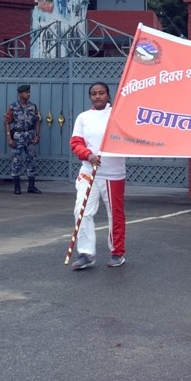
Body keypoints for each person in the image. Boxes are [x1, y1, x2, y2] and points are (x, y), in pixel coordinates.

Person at [68, 82, 127, 270]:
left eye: (101, 93)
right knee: (81, 211)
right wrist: (88, 155)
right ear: (90, 97)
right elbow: (76, 142)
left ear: (108, 95)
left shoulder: (117, 115)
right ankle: (86, 254)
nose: (98, 96)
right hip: (89, 172)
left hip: (112, 174)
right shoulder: (83, 117)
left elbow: (129, 138)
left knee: (115, 214)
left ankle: (117, 252)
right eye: (94, 93)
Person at [5, 84, 42, 195]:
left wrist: (37, 135)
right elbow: (7, 123)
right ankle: (17, 187)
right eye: (26, 92)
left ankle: (31, 186)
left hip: (29, 136)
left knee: (31, 160)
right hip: (18, 137)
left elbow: (37, 121)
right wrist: (9, 137)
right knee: (17, 161)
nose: (28, 94)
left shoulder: (33, 106)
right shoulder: (12, 107)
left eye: (29, 92)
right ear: (20, 94)